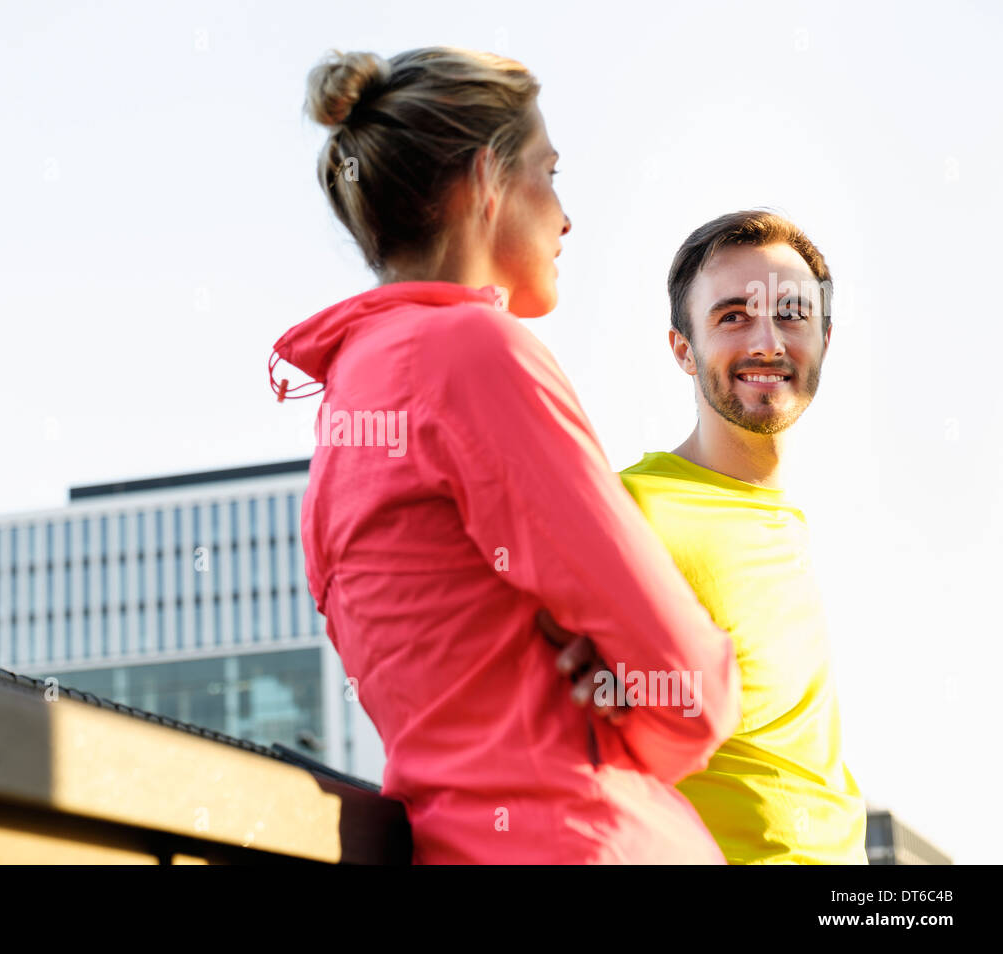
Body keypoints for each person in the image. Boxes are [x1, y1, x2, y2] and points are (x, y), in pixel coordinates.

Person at [269, 46, 740, 863]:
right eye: (548, 171)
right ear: (486, 180)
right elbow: (695, 689)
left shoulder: (349, 404)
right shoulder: (472, 352)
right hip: (584, 837)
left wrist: (617, 685)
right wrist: (623, 700)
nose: (564, 214)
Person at [542, 210, 867, 863]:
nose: (768, 341)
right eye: (733, 317)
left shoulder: (790, 521)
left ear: (825, 339)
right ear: (682, 349)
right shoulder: (628, 510)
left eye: (792, 314)